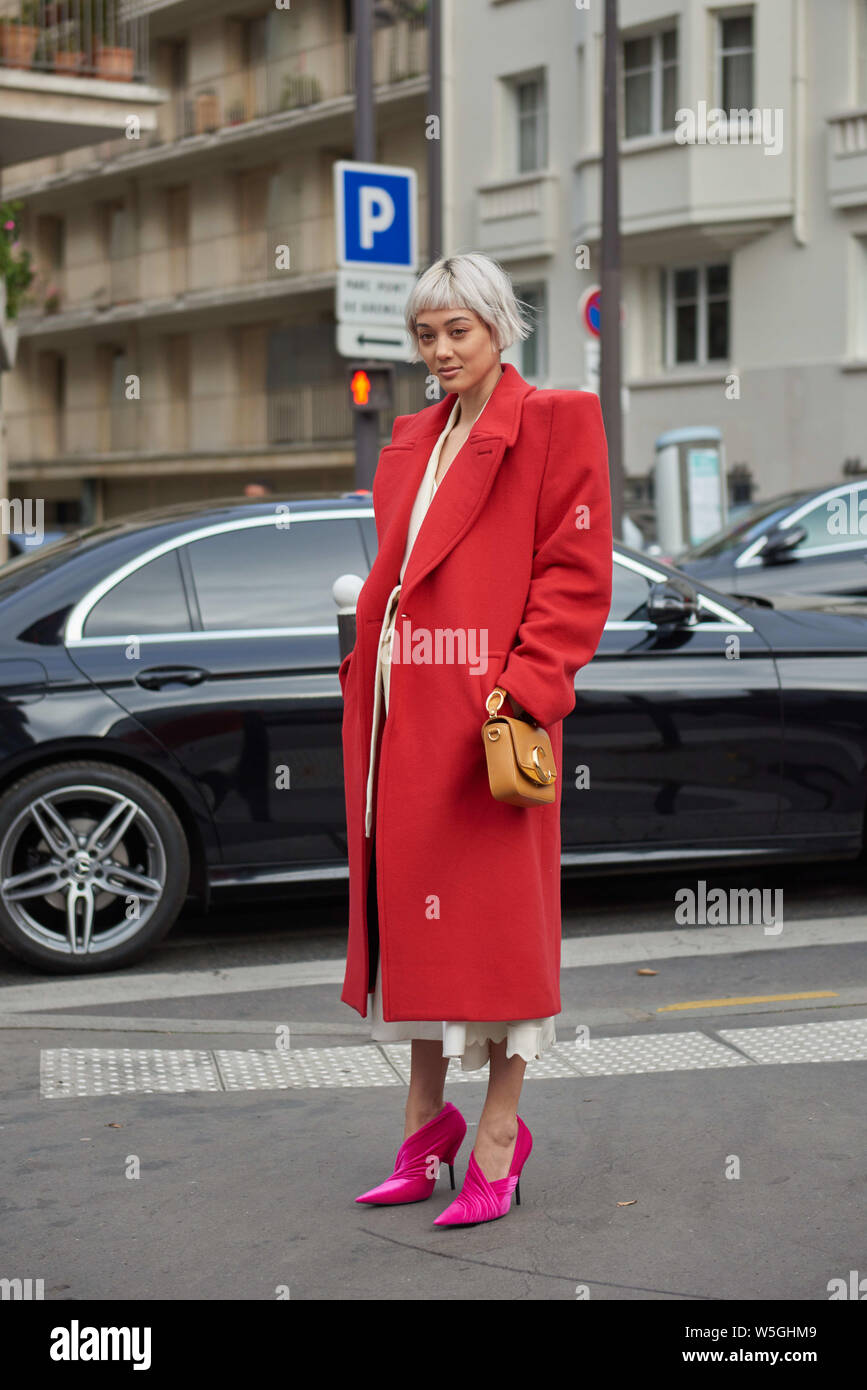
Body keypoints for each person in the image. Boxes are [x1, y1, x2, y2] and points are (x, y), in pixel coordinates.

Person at [338, 252, 612, 1227]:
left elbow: (576, 574)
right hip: (402, 723)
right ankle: (423, 1126)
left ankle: (497, 1133)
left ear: (500, 325)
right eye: (425, 334)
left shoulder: (552, 420)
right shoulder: (414, 436)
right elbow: (403, 573)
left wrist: (522, 693)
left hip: (492, 729)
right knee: (417, 933)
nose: (441, 349)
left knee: (502, 940)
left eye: (458, 328)